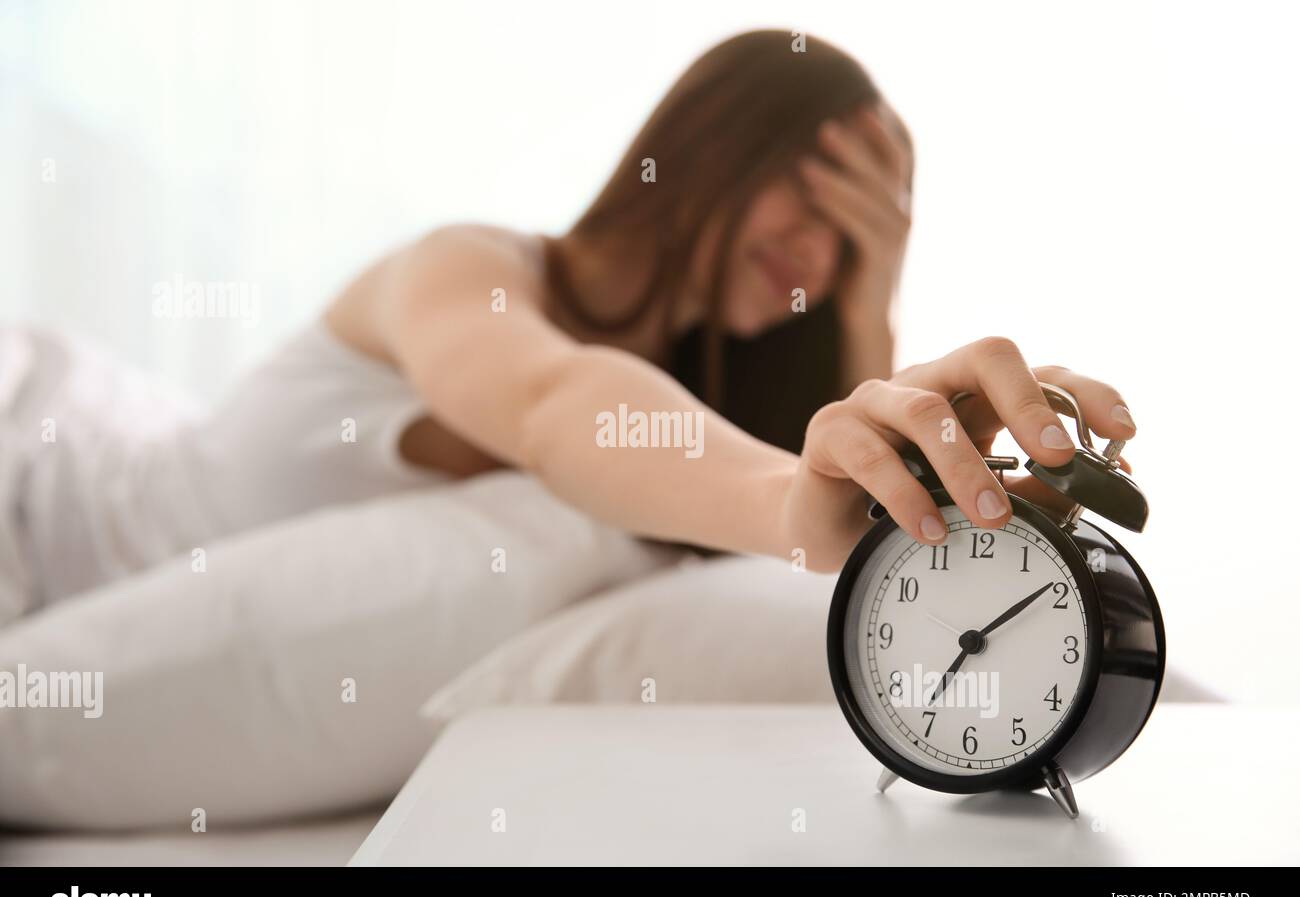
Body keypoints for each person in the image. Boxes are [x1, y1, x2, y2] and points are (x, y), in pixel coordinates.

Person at [4, 29, 1136, 617]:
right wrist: (786, 507)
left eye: (857, 235)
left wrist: (873, 292)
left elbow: (822, 496)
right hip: (42, 484)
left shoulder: (707, 396)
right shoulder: (471, 270)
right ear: (711, 141)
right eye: (814, 188)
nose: (820, 249)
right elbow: (558, 406)